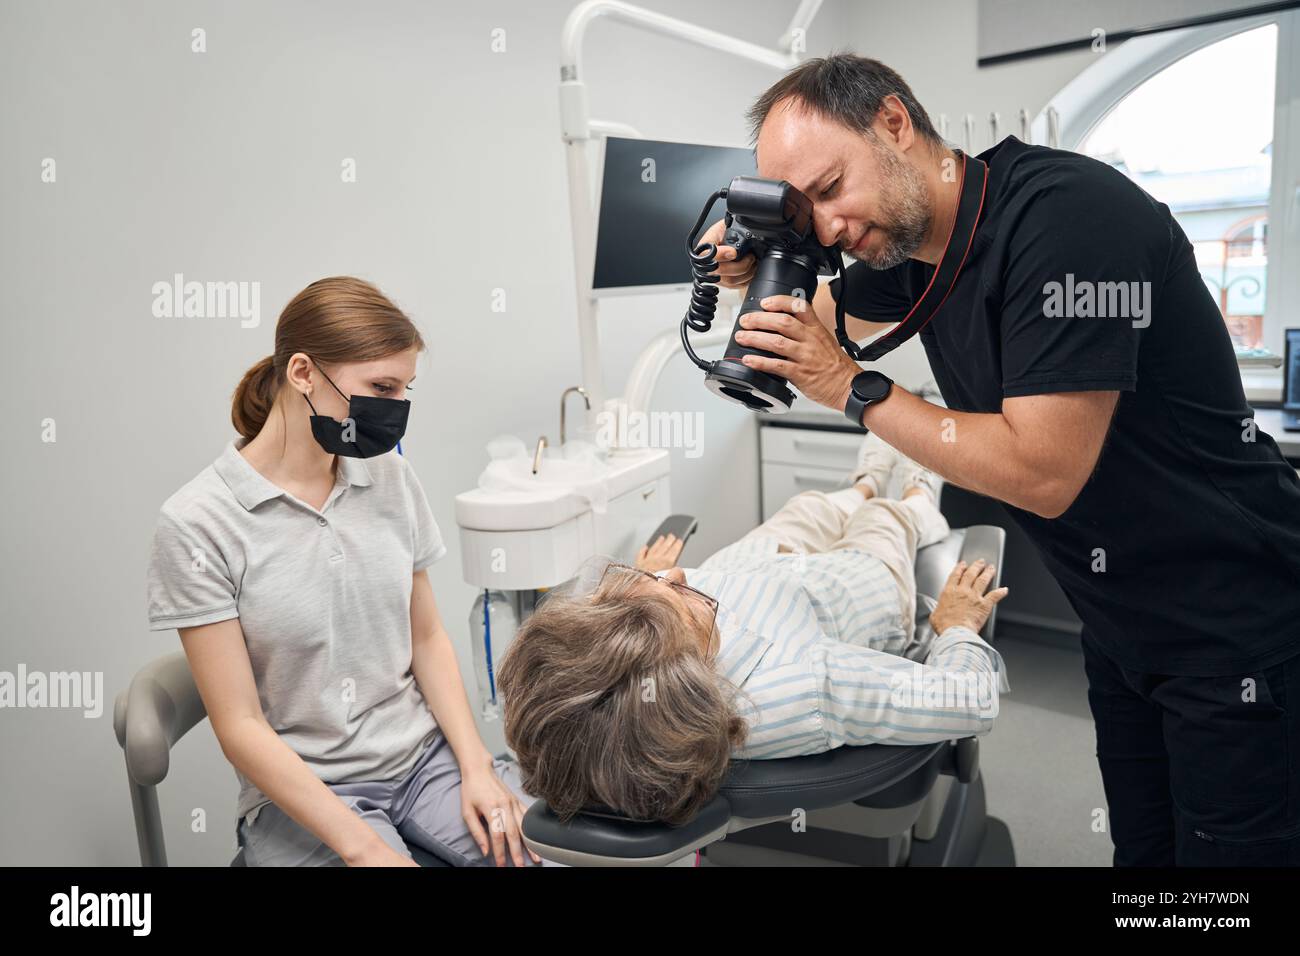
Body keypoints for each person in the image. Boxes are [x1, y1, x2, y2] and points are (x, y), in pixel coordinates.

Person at [700, 53, 1300, 866]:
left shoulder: (1072, 221)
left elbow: (1045, 475)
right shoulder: (909, 248)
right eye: (809, 214)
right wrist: (751, 264)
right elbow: (818, 305)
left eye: (833, 187)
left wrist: (848, 385)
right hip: (1122, 626)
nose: (832, 226)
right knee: (1148, 858)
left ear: (894, 122)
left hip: (1235, 623)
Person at [145, 276, 550, 867]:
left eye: (404, 390)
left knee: (550, 855)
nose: (394, 410)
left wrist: (476, 766)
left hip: (421, 763)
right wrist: (363, 848)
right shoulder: (197, 523)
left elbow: (427, 636)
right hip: (305, 793)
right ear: (303, 373)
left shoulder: (388, 477)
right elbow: (240, 727)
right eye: (380, 388)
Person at [497, 434, 1009, 825]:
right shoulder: (808, 687)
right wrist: (955, 626)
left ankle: (863, 481)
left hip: (753, 561)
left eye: (636, 589)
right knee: (887, 519)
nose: (673, 575)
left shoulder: (634, 684)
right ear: (695, 680)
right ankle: (915, 490)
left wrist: (644, 591)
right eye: (677, 595)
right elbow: (971, 697)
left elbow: (610, 676)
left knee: (810, 506)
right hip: (846, 589)